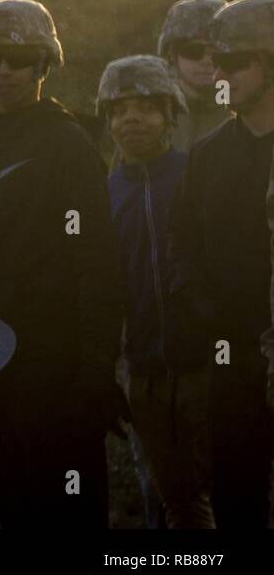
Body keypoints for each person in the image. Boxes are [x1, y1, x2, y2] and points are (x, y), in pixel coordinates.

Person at [0, 0, 125, 528]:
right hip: (2, 366)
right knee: (17, 511)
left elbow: (97, 258)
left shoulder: (66, 143)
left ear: (45, 65)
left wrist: (94, 371)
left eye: (17, 60)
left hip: (59, 371)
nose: (2, 71)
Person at [167, 0, 274, 529]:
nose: (218, 72)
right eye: (215, 59)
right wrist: (204, 312)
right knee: (237, 498)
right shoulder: (207, 156)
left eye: (234, 62)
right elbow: (182, 247)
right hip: (232, 362)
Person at [99, 56, 214, 528]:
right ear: (108, 122)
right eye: (120, 109)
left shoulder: (200, 175)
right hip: (144, 375)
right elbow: (103, 290)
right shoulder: (103, 195)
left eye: (146, 106)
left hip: (207, 368)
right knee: (179, 505)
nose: (132, 118)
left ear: (171, 115)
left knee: (231, 494)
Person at [158, 0, 232, 149]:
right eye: (193, 51)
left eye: (216, 52)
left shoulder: (251, 116)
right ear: (172, 56)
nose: (207, 60)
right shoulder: (153, 119)